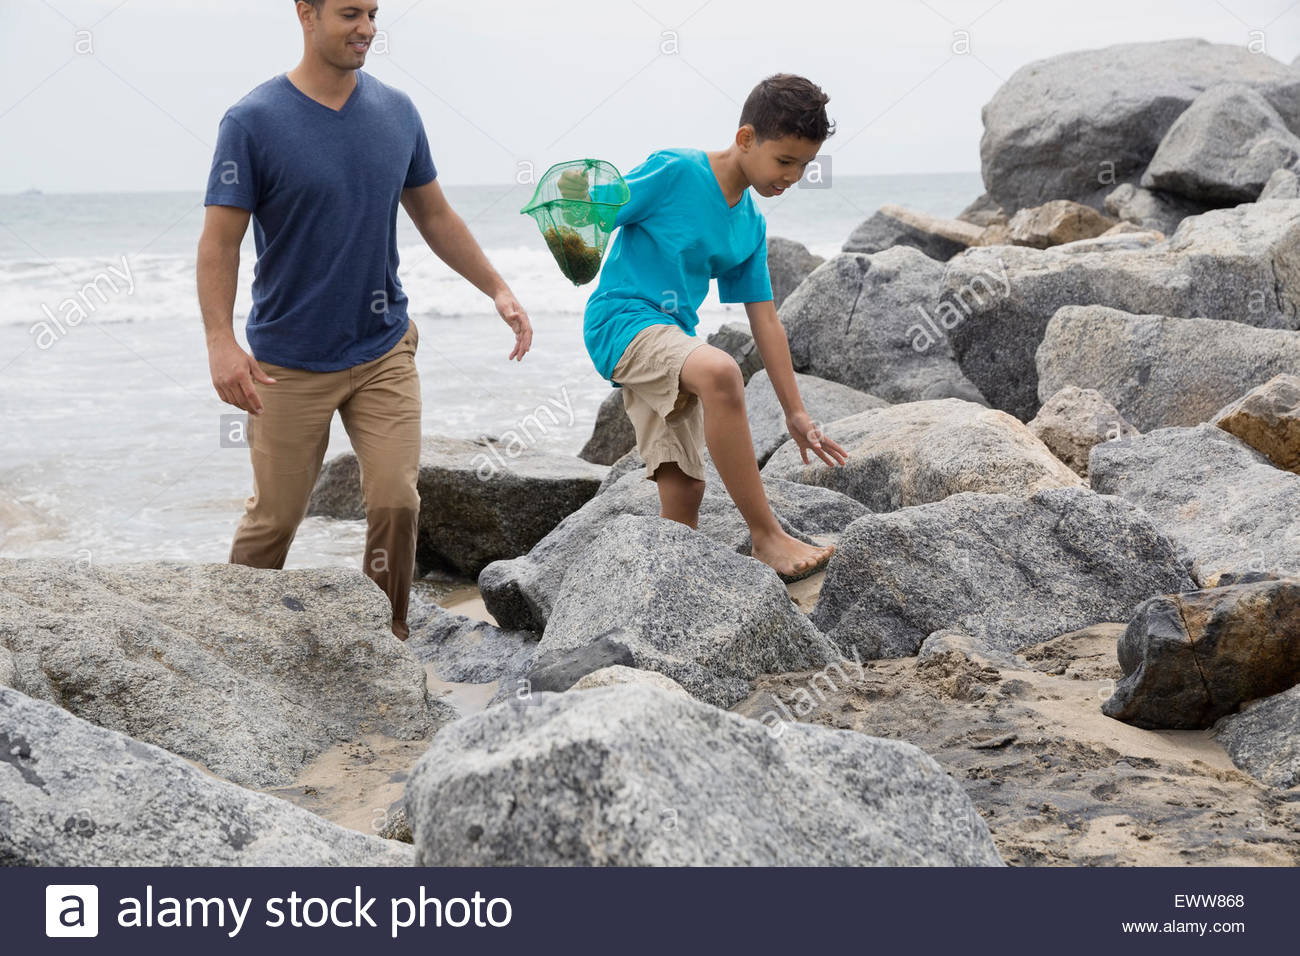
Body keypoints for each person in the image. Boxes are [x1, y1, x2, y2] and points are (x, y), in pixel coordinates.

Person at [197, 0, 532, 640]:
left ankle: (388, 635)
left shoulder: (397, 112)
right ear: (306, 13)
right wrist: (220, 341)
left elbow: (433, 214)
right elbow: (219, 242)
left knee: (397, 501)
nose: (368, 29)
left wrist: (496, 287)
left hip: (383, 350)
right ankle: (236, 642)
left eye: (374, 14)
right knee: (275, 519)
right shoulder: (252, 122)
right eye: (352, 13)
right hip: (286, 362)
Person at [561, 73, 848, 581]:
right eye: (785, 160)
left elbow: (764, 320)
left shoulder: (750, 225)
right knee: (719, 373)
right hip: (621, 320)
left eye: (805, 165)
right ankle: (767, 536)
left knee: (685, 491)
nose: (794, 176)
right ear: (745, 139)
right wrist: (576, 205)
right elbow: (599, 207)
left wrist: (796, 412)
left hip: (672, 338)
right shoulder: (677, 171)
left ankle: (666, 596)